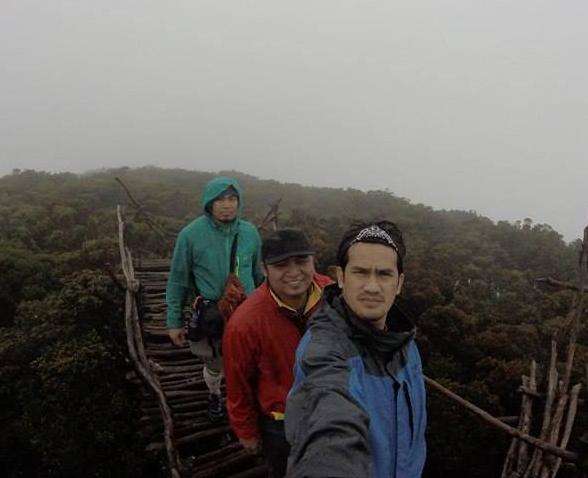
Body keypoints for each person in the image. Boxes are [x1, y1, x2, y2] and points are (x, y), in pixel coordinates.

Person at [285, 221, 427, 478]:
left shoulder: (405, 343)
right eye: (360, 272)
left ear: (399, 283)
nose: (372, 286)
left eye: (384, 274)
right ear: (341, 277)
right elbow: (330, 422)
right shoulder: (324, 351)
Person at [223, 228, 333, 477]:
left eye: (302, 261)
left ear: (313, 261)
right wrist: (246, 432)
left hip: (333, 409)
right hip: (281, 422)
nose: (293, 272)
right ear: (264, 269)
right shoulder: (245, 323)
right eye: (281, 265)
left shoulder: (334, 297)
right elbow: (237, 382)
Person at [166, 176, 263, 422]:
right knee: (215, 364)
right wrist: (174, 321)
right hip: (213, 314)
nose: (227, 205)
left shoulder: (250, 232)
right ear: (209, 203)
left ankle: (245, 403)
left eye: (232, 198)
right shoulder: (191, 235)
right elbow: (178, 279)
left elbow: (258, 275)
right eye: (220, 199)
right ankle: (214, 394)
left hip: (248, 311)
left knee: (249, 361)